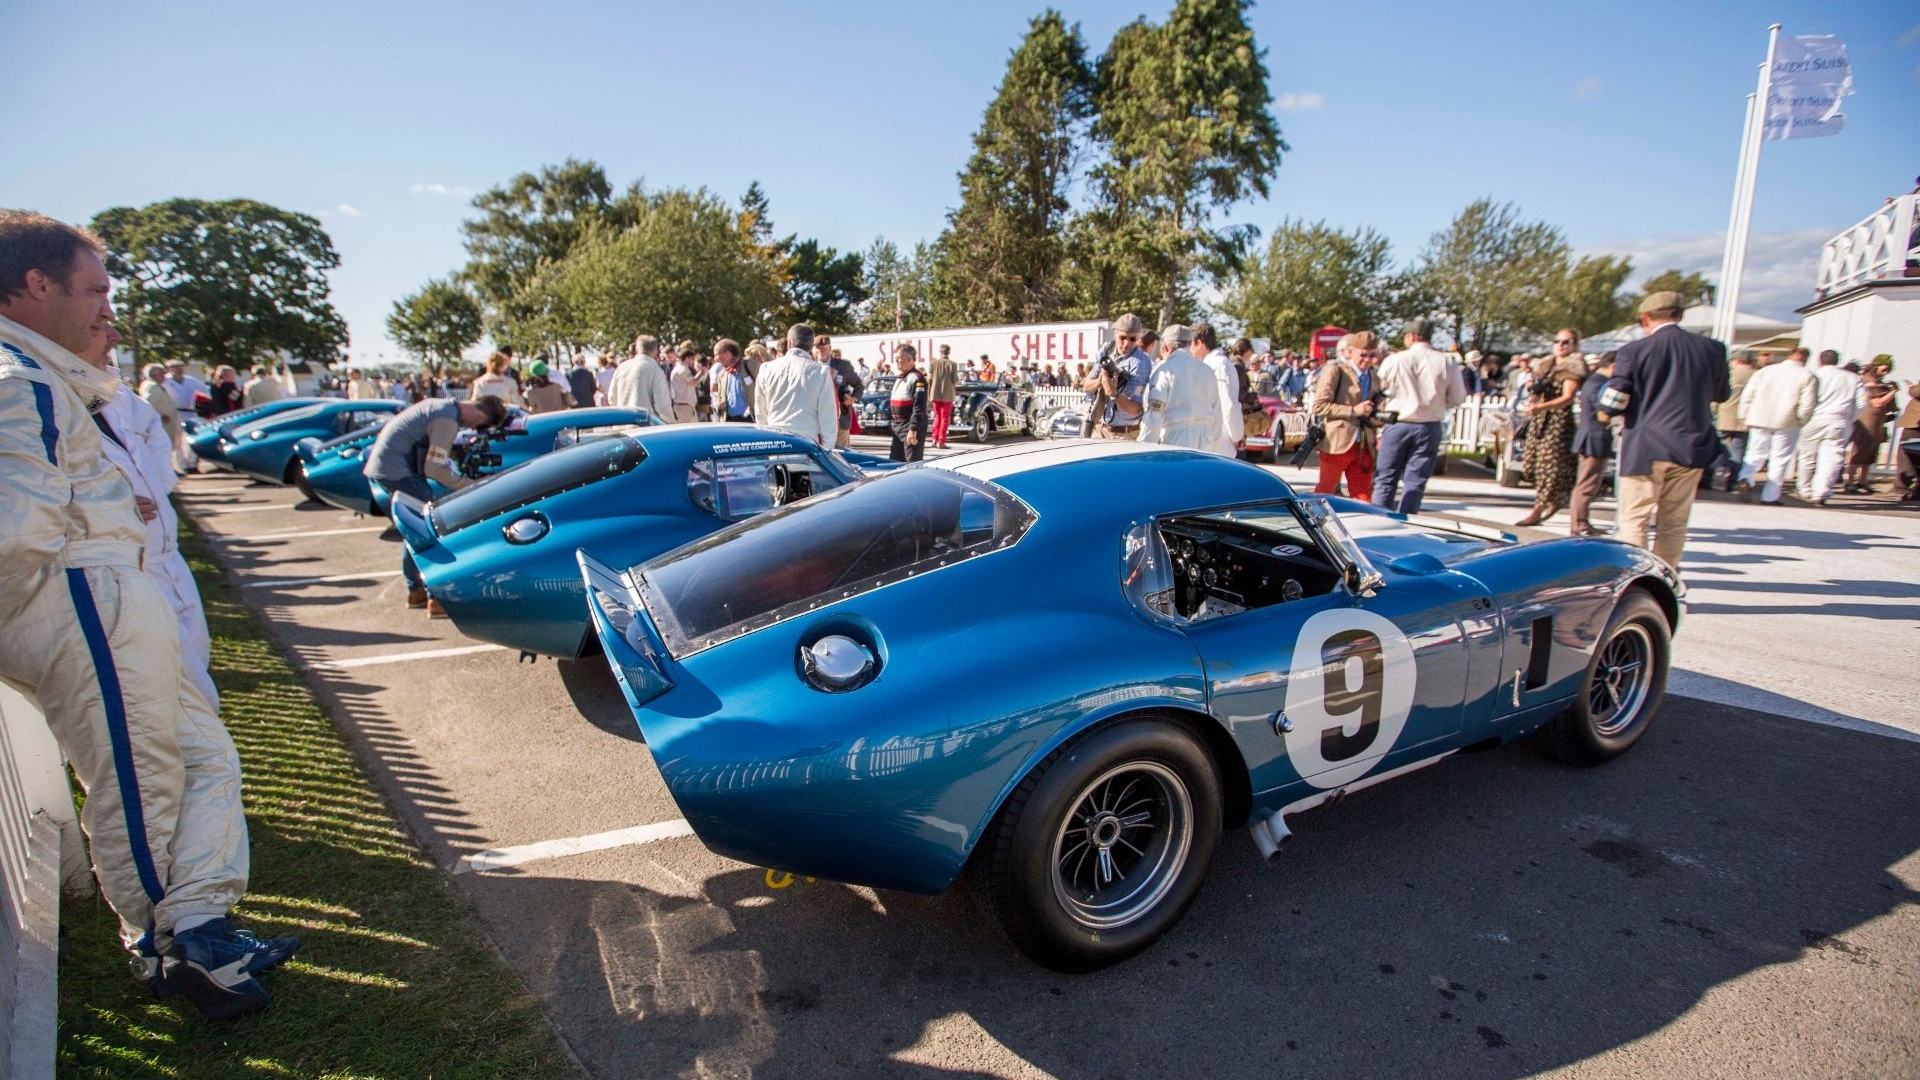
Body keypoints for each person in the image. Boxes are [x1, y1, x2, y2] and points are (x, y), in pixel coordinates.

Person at [0, 211, 298, 1018]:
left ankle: (201, 917)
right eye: (94, 291)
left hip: (118, 594)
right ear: (35, 287)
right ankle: (169, 945)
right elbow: (14, 530)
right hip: (81, 599)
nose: (108, 312)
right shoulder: (15, 381)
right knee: (142, 779)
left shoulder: (48, 378)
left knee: (205, 757)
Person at [1599, 291, 1730, 569]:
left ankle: (1637, 577)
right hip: (1692, 445)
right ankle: (1668, 577)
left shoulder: (1634, 351)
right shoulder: (1712, 349)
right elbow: (1722, 394)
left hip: (1645, 446)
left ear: (1645, 318)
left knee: (1635, 518)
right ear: (1679, 315)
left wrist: (1609, 406)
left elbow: (1615, 400)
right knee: (1674, 521)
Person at [363, 394, 508, 614]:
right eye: (480, 425)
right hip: (398, 471)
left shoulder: (441, 406)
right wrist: (469, 486)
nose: (471, 427)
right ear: (480, 415)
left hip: (386, 467)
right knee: (427, 531)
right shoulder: (447, 419)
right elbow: (434, 468)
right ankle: (435, 598)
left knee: (415, 529)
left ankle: (417, 591)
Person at [1370, 317, 1466, 513]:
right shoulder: (1446, 362)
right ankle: (1407, 519)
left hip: (1398, 422)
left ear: (1411, 337)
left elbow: (1379, 389)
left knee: (1385, 478)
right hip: (1428, 424)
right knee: (1415, 481)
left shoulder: (1395, 360)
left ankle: (1379, 518)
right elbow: (1457, 398)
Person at [1515, 332, 1585, 526]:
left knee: (1550, 467)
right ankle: (1555, 499)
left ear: (1574, 345)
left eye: (1566, 342)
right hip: (1538, 420)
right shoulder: (1545, 365)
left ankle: (1538, 509)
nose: (1560, 345)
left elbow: (1568, 396)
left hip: (1558, 421)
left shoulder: (1572, 367)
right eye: (1557, 341)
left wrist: (1542, 406)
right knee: (1531, 464)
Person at [1735, 347, 1816, 504]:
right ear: (1805, 359)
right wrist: (1801, 420)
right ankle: (1770, 496)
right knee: (1779, 458)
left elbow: (1748, 394)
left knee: (1755, 452)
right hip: (1786, 420)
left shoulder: (1765, 372)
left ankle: (1746, 477)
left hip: (1759, 417)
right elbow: (1808, 404)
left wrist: (1744, 415)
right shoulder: (1806, 375)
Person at [1310, 331, 1383, 499]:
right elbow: (1319, 406)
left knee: (1363, 495)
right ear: (1351, 352)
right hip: (1337, 442)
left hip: (1365, 444)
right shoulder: (1335, 371)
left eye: (1372, 355)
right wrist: (1353, 411)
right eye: (1362, 354)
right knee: (1324, 493)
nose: (1367, 360)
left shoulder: (1374, 376)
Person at [1137, 324, 1224, 451]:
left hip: (1176, 438)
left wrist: (1143, 448)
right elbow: (1217, 414)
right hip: (1206, 438)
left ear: (1165, 347)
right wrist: (1215, 448)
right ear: (1189, 344)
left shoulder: (1165, 370)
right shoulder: (1207, 371)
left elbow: (1154, 414)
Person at [756, 324, 838, 446]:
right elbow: (828, 417)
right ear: (811, 346)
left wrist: (765, 443)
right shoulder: (821, 372)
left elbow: (760, 412)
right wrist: (827, 449)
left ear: (789, 343)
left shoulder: (766, 368)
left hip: (775, 439)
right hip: (806, 444)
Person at [1795, 349, 1857, 505]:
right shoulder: (1852, 378)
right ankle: (1821, 491)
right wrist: (1850, 417)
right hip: (1839, 419)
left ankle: (1805, 488)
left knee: (1807, 455)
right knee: (1832, 457)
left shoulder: (1813, 375)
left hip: (1814, 418)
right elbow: (1862, 404)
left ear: (1820, 360)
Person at [1569, 352, 1616, 537]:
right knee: (1587, 485)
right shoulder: (1598, 383)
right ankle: (1579, 524)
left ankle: (1582, 521)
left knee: (1589, 484)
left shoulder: (1594, 381)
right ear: (1613, 365)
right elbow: (1603, 412)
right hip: (1594, 437)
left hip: (1593, 436)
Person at [1081, 313, 1150, 440]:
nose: (1126, 343)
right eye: (1122, 337)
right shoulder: (1108, 349)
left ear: (1138, 338)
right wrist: (1100, 381)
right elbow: (1086, 385)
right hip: (1099, 428)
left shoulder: (1141, 362)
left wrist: (1114, 393)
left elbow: (1137, 409)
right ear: (1115, 334)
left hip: (1123, 433)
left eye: (1132, 339)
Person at [1191, 323, 1244, 457]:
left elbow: (1228, 405)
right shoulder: (1212, 364)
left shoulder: (1218, 366)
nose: (1189, 349)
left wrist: (1237, 436)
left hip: (1219, 440)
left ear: (1199, 343)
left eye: (1190, 344)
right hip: (1211, 437)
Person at [1846, 361, 1897, 494]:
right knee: (1860, 451)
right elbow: (1877, 403)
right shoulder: (1868, 382)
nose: (1885, 373)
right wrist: (1893, 392)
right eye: (1883, 369)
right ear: (1874, 368)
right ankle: (1850, 481)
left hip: (1877, 422)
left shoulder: (1880, 383)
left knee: (1871, 453)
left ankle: (1863, 480)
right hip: (1867, 420)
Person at [1707, 352, 1756, 490]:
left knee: (1716, 447)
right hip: (1744, 419)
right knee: (1738, 450)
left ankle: (1710, 477)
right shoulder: (1756, 375)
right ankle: (1732, 480)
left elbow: (1717, 395)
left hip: (1724, 416)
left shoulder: (1731, 374)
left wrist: (1713, 411)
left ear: (1737, 360)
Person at [608, 335, 674, 421]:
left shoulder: (621, 367)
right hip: (645, 427)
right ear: (655, 351)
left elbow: (612, 398)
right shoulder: (656, 371)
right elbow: (662, 406)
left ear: (637, 349)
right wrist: (670, 423)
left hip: (622, 425)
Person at [139, 362, 189, 473]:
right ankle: (165, 471)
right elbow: (147, 403)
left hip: (165, 423)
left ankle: (169, 470)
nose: (164, 375)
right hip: (160, 424)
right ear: (154, 375)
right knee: (162, 448)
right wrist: (160, 416)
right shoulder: (151, 387)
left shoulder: (154, 386)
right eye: (161, 373)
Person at [888, 343, 930, 462]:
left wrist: (913, 429)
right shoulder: (900, 377)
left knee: (911, 463)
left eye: (899, 358)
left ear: (910, 359)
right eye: (896, 358)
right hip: (898, 426)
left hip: (909, 427)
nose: (896, 361)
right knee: (894, 464)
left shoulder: (917, 379)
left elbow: (919, 407)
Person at [821, 337, 864, 449]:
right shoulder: (809, 366)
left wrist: (853, 398)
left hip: (840, 419)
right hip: (818, 422)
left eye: (824, 349)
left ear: (830, 349)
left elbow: (859, 385)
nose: (821, 352)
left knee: (842, 455)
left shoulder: (843, 366)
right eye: (818, 349)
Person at [710, 340, 753, 421]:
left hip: (750, 420)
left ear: (727, 354)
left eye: (716, 355)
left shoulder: (751, 366)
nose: (715, 359)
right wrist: (718, 405)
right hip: (730, 421)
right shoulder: (721, 375)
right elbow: (719, 398)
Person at [927, 344, 959, 448]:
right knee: (945, 418)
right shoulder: (953, 364)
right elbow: (954, 380)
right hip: (947, 394)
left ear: (940, 352)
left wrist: (929, 393)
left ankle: (934, 439)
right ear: (948, 352)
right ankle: (941, 441)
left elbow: (929, 379)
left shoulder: (933, 363)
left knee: (937, 416)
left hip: (934, 393)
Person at [668, 347, 701, 423]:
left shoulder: (679, 368)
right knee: (691, 431)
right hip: (684, 407)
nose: (692, 361)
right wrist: (701, 373)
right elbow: (693, 382)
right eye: (691, 359)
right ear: (687, 358)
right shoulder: (682, 369)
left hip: (685, 406)